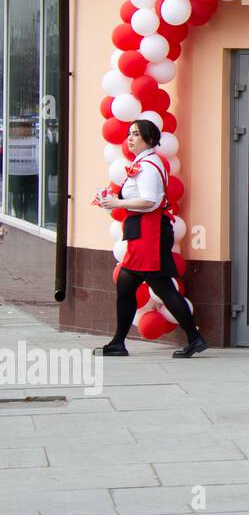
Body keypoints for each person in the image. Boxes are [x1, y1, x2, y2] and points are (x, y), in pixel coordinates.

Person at [94, 119, 207, 358]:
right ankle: (118, 342)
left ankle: (194, 337)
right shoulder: (143, 162)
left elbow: (150, 200)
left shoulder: (148, 165)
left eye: (136, 134)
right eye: (129, 134)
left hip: (149, 233)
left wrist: (117, 202)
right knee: (127, 286)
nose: (130, 138)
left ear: (149, 138)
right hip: (143, 232)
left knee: (162, 289)